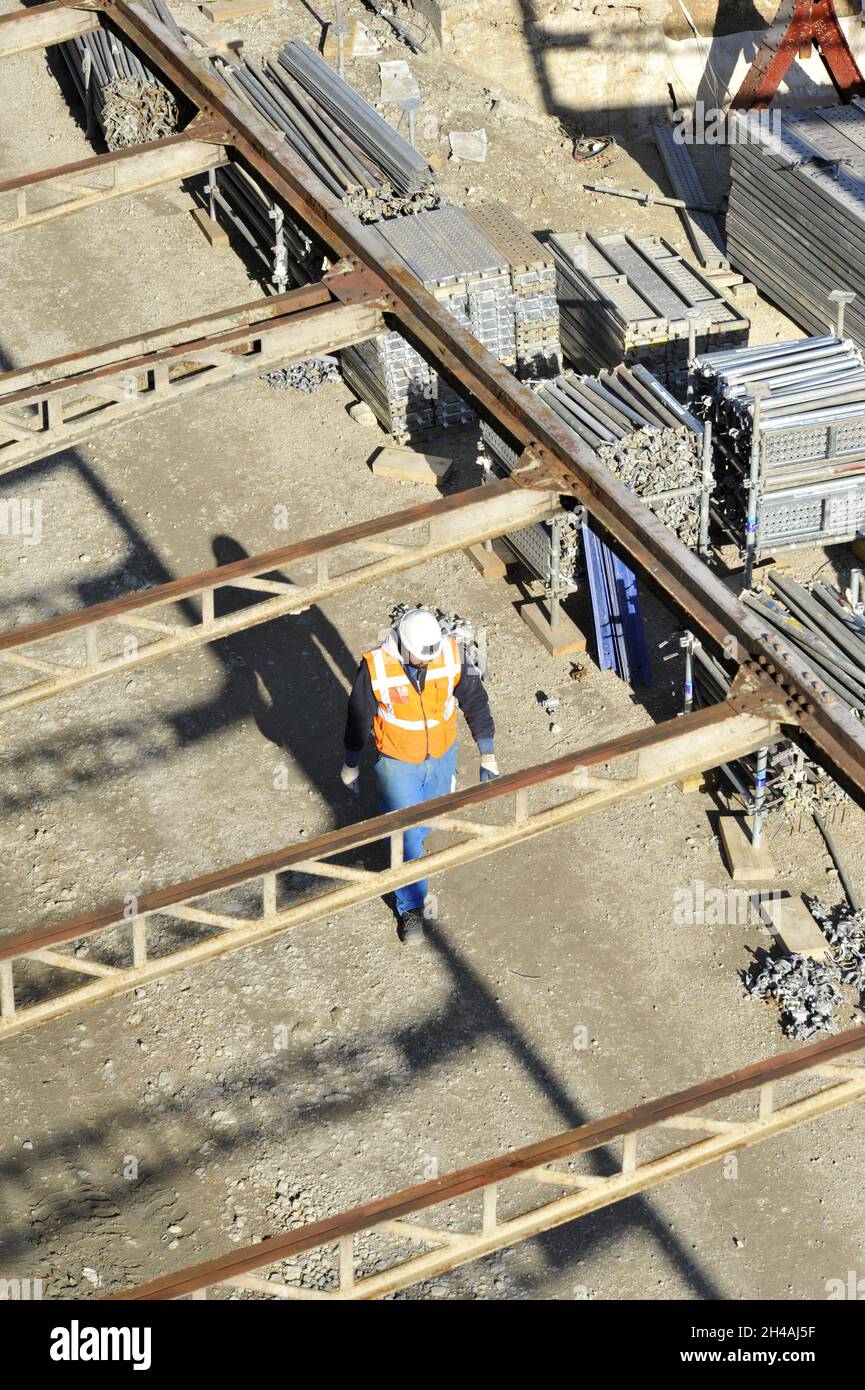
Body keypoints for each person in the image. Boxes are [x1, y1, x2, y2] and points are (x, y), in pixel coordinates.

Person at [340, 607, 499, 944]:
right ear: (402, 644)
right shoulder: (376, 667)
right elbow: (359, 715)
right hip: (397, 761)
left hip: (441, 757)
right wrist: (352, 760)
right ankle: (410, 907)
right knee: (406, 833)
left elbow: (475, 701)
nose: (427, 662)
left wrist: (487, 750)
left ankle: (413, 846)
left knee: (430, 818)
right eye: (419, 657)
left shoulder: (450, 654)